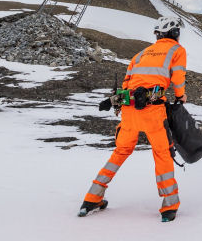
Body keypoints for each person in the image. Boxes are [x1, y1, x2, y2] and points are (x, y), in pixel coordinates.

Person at [78, 16, 188, 222]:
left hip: (129, 110)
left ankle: (92, 198)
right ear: (174, 33)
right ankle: (169, 206)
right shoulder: (176, 50)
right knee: (162, 154)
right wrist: (181, 96)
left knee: (120, 151)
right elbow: (178, 78)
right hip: (153, 112)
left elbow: (127, 83)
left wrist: (114, 100)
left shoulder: (141, 54)